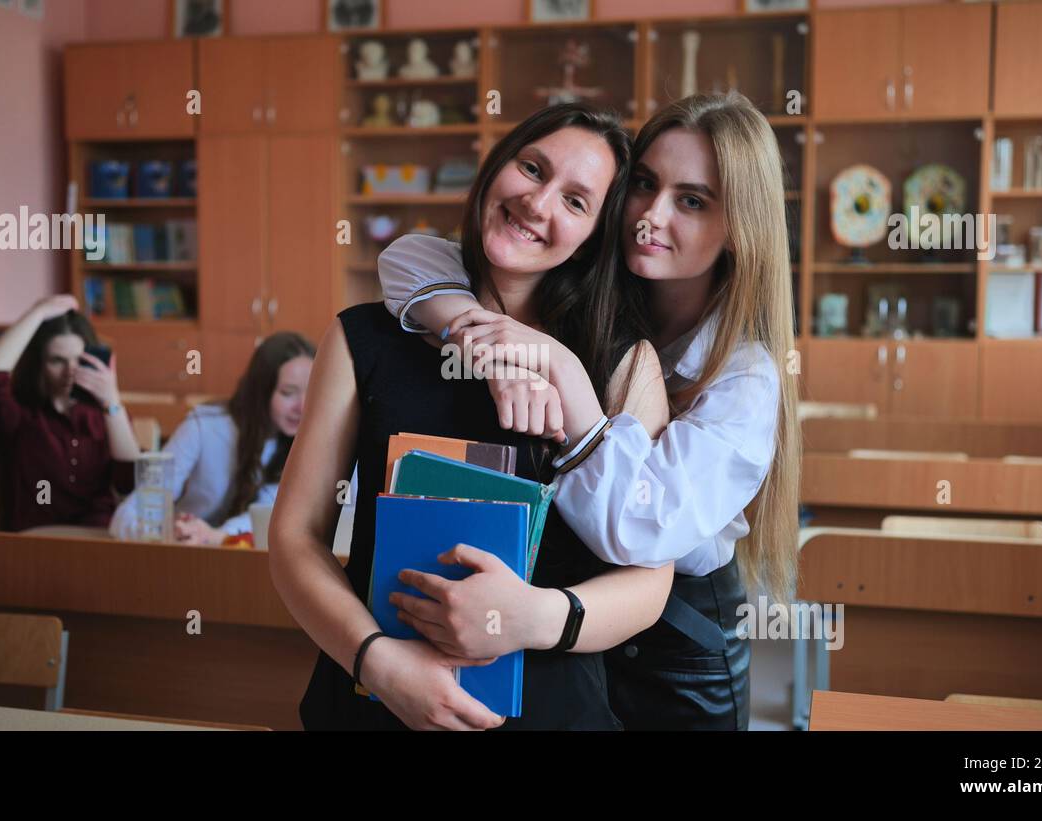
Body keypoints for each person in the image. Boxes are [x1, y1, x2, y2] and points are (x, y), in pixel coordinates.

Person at [376, 92, 800, 730]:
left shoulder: (744, 380)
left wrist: (566, 374)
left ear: (740, 227)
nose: (650, 217)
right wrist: (479, 338)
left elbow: (636, 533)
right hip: (567, 635)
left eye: (692, 200)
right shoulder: (604, 284)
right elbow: (412, 257)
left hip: (676, 655)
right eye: (644, 185)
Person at [269, 103, 673, 731]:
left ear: (596, 235)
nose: (537, 204)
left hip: (551, 710)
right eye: (531, 168)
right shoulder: (364, 338)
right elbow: (295, 538)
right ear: (494, 167)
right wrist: (376, 661)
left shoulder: (623, 364)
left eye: (575, 202)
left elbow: (650, 578)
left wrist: (532, 616)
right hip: (371, 697)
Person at [108, 332, 314, 545]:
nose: (302, 406)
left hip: (247, 559)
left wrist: (215, 536)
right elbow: (129, 514)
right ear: (261, 391)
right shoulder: (204, 426)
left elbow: (269, 519)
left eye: (312, 391)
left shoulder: (308, 443)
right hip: (187, 552)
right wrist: (167, 533)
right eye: (288, 393)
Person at [0, 294, 139, 531]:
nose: (70, 371)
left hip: (98, 541)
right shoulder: (21, 416)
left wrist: (112, 402)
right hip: (37, 540)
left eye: (78, 360)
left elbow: (131, 483)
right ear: (39, 364)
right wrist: (37, 314)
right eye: (57, 361)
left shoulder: (106, 415)